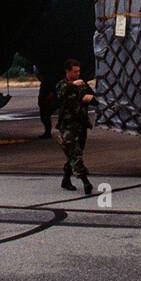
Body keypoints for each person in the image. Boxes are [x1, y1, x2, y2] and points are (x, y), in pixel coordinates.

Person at [53, 57, 96, 194]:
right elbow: (61, 93)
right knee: (75, 154)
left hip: (81, 125)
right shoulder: (62, 85)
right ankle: (86, 182)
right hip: (67, 127)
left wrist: (90, 98)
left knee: (74, 155)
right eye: (75, 71)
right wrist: (74, 85)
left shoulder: (82, 85)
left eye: (79, 71)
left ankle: (66, 178)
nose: (78, 74)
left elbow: (92, 97)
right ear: (68, 72)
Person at [36, 71, 56, 138]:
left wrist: (46, 100)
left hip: (47, 103)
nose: (38, 78)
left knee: (45, 117)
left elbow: (52, 93)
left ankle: (48, 133)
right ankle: (47, 132)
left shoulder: (47, 83)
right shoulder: (44, 83)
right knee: (44, 118)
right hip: (44, 103)